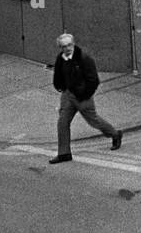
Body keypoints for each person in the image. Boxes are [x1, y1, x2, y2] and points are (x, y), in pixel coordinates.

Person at [49, 32, 121, 163]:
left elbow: (94, 80)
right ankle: (64, 153)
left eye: (69, 45)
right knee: (62, 123)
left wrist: (85, 94)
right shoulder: (60, 58)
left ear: (74, 44)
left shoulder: (84, 58)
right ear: (60, 48)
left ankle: (115, 134)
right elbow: (58, 74)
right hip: (67, 95)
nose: (67, 48)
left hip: (82, 97)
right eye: (64, 46)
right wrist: (60, 87)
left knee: (94, 121)